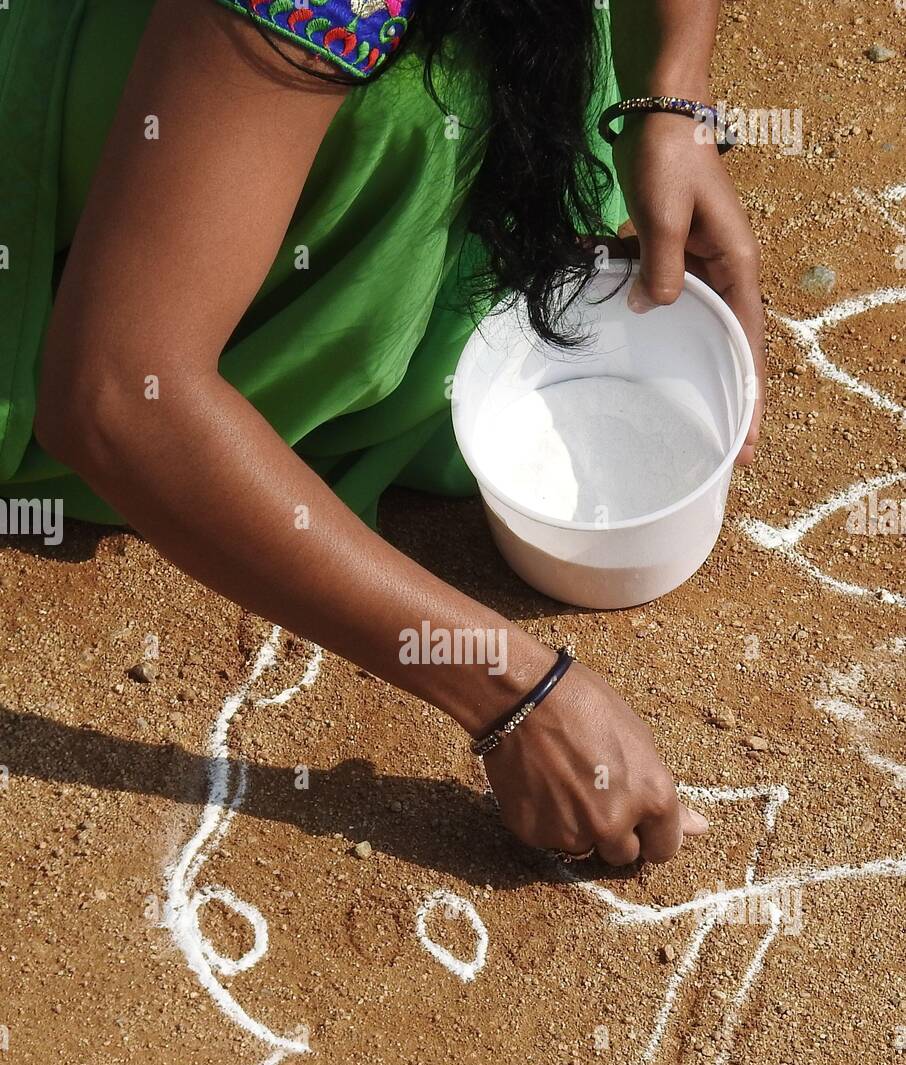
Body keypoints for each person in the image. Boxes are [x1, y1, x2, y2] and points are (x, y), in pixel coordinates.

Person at [0, 0, 764, 866]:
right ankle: (283, 305)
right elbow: (119, 395)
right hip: (182, 96)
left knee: (532, 76)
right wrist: (510, 689)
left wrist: (670, 102)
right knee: (413, 109)